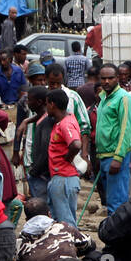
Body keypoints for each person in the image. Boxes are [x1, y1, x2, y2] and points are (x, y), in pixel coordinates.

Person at [95, 63, 131, 214]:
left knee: (117, 203)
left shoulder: (124, 98)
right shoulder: (104, 98)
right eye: (103, 78)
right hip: (104, 155)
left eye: (110, 78)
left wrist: (118, 157)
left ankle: (119, 235)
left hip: (116, 156)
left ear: (117, 78)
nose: (106, 82)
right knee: (111, 201)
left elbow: (126, 130)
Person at [45, 89, 84, 226]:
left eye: (47, 104)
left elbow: (76, 144)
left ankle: (71, 245)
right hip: (60, 177)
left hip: (64, 177)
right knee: (60, 220)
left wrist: (68, 157)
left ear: (52, 105)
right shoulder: (64, 121)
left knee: (66, 223)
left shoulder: (65, 124)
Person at [14, 86, 51, 200]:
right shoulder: (42, 118)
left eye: (30, 100)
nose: (28, 102)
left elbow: (45, 150)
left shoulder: (45, 122)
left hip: (42, 174)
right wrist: (26, 120)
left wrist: (35, 171)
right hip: (41, 172)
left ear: (39, 102)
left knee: (42, 204)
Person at [45, 62, 91, 140]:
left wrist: (84, 151)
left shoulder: (72, 97)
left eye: (58, 83)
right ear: (46, 79)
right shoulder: (41, 95)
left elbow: (84, 125)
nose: (55, 86)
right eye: (52, 83)